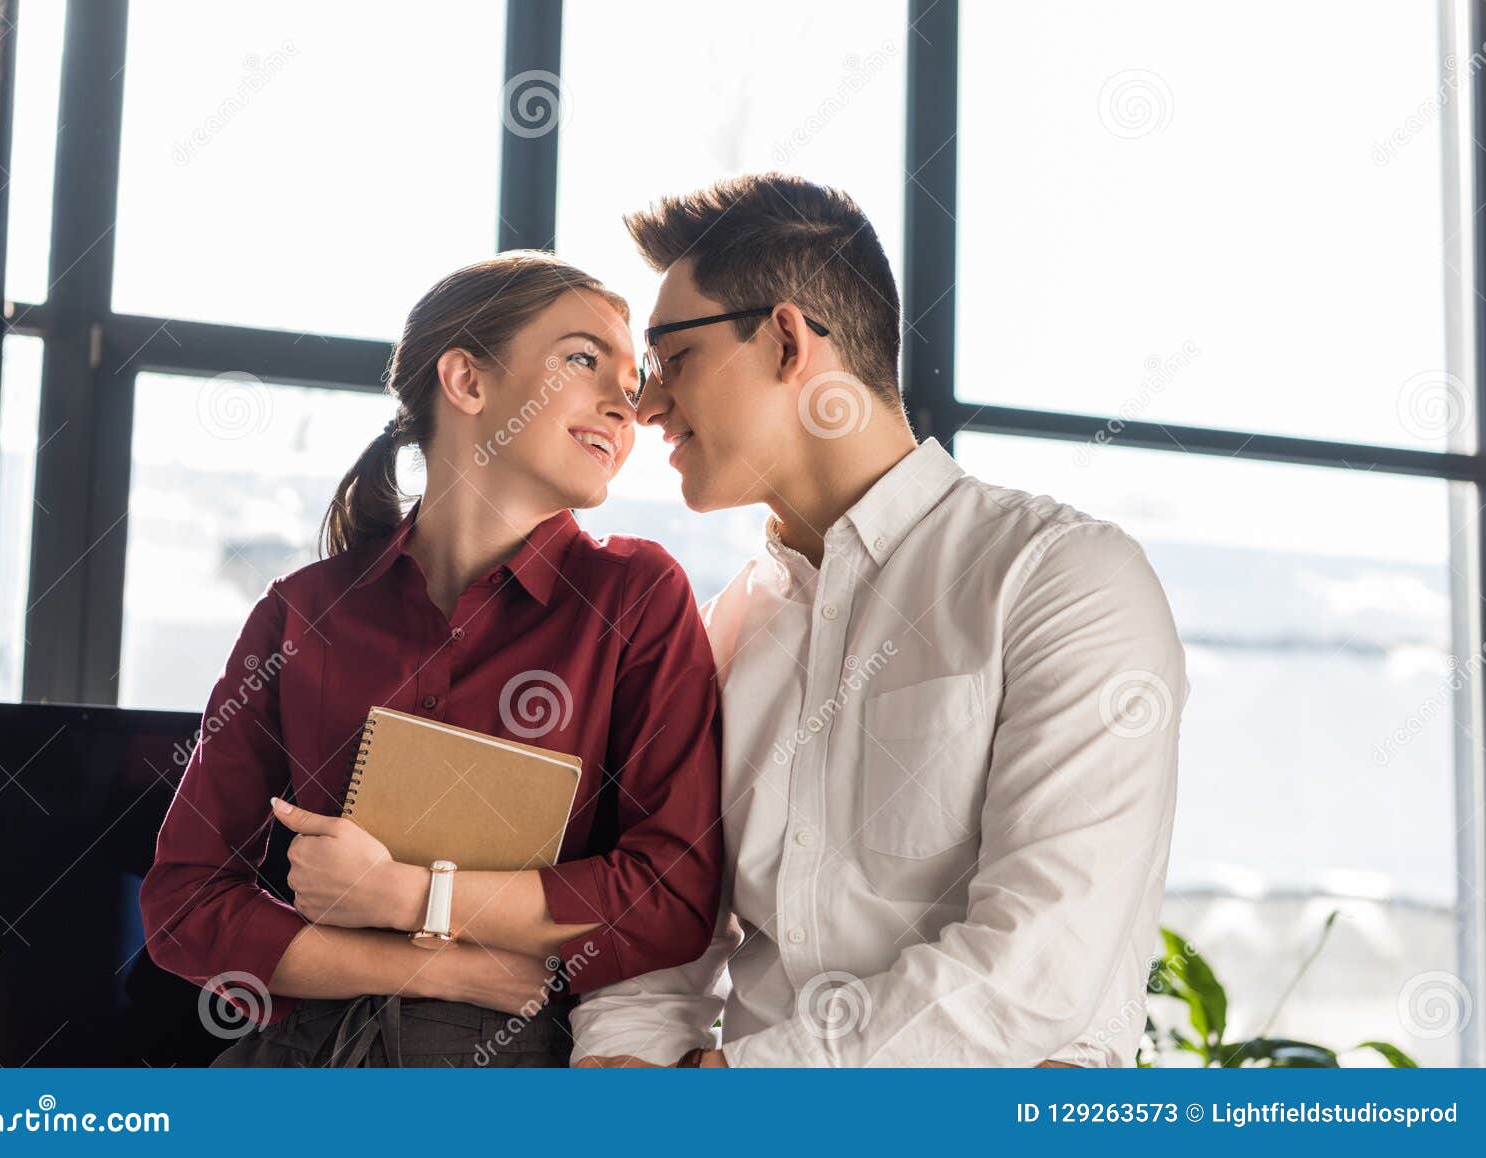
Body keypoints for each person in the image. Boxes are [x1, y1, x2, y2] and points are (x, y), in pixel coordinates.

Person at [573, 173, 1188, 1067]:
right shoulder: (720, 635)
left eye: (674, 357)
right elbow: (659, 936)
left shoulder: (1061, 578)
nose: (647, 404)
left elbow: (1039, 965)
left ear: (787, 340)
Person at [139, 251, 724, 1067]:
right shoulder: (301, 613)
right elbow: (184, 904)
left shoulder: (636, 596)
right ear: (468, 381)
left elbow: (670, 894)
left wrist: (415, 895)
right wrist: (441, 965)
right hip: (300, 1057)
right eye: (585, 360)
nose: (625, 407)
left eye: (632, 385)